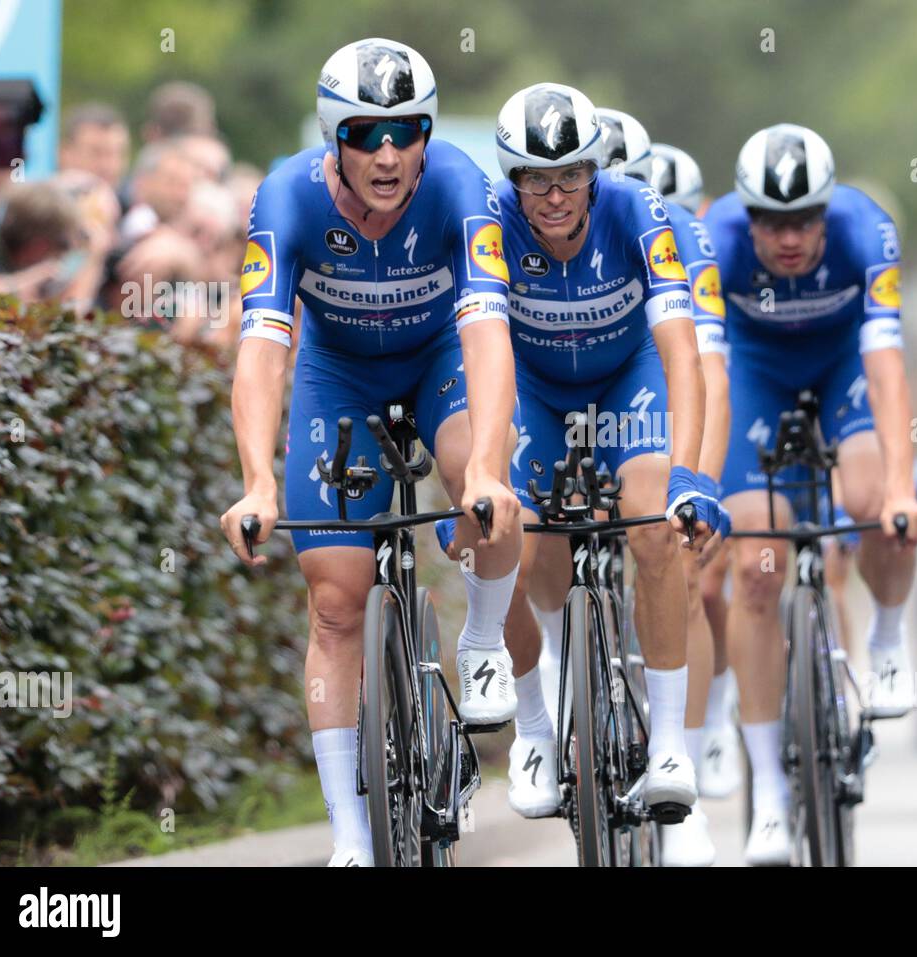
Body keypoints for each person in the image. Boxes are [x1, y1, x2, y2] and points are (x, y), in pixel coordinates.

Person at [218, 38, 522, 867]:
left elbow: (490, 332)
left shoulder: (463, 185)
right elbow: (262, 348)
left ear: (426, 132)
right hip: (339, 376)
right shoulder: (284, 196)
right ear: (333, 139)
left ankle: (482, 640)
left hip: (440, 363)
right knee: (336, 601)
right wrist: (254, 481)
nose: (388, 154)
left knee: (485, 494)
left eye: (406, 130)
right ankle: (351, 831)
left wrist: (489, 464)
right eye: (364, 134)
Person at [491, 83, 723, 825]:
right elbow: (472, 351)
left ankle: (670, 745)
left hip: (629, 382)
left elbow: (683, 356)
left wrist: (689, 477)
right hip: (538, 388)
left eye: (569, 176)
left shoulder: (636, 211)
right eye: (534, 177)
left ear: (596, 171)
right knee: (514, 543)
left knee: (652, 523)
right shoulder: (489, 221)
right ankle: (543, 709)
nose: (554, 195)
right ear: (511, 177)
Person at [704, 123, 917, 865]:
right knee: (760, 562)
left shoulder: (867, 231)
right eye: (771, 219)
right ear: (748, 214)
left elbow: (887, 361)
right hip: (754, 372)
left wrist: (903, 485)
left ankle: (888, 637)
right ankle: (768, 790)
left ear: (827, 210)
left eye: (804, 218)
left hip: (843, 372)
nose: (789, 236)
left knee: (877, 503)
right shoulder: (716, 239)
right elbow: (703, 368)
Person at [591, 117, 731, 866]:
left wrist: (697, 483)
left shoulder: (675, 231)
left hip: (649, 399)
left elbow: (706, 370)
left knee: (675, 556)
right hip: (568, 393)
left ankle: (689, 781)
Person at [58, 103, 131, 192]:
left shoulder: (135, 202)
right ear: (65, 153)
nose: (107, 166)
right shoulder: (41, 203)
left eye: (115, 154)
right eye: (96, 153)